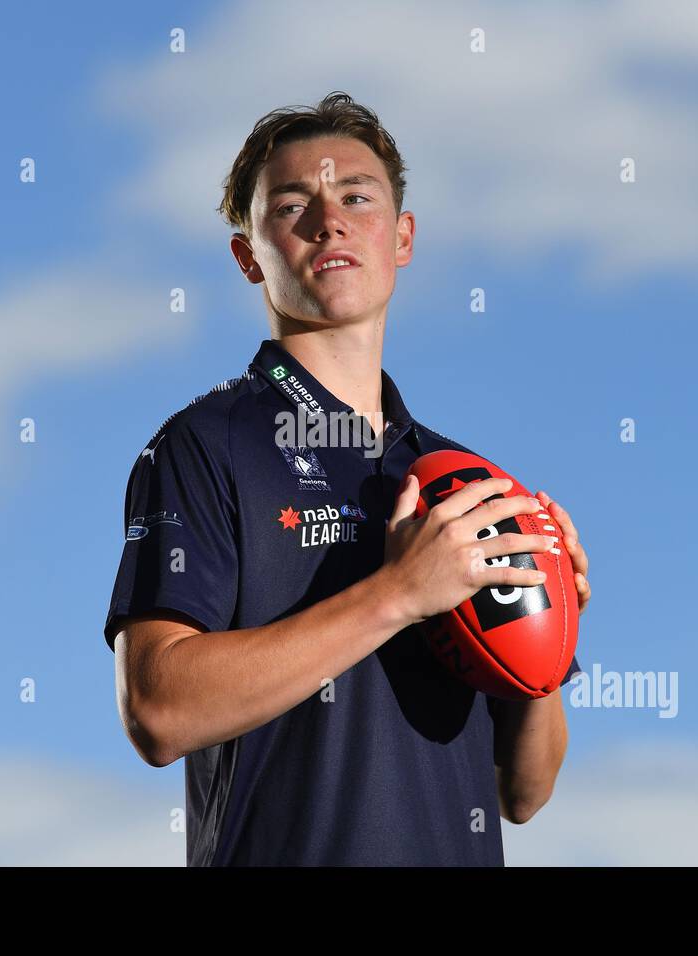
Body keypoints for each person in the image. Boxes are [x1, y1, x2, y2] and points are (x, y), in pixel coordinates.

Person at [103, 91, 591, 866]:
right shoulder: (202, 444)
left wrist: (549, 617)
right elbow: (159, 710)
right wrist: (399, 594)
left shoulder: (465, 481)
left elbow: (524, 792)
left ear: (401, 238)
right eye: (293, 205)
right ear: (248, 256)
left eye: (357, 198)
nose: (330, 220)